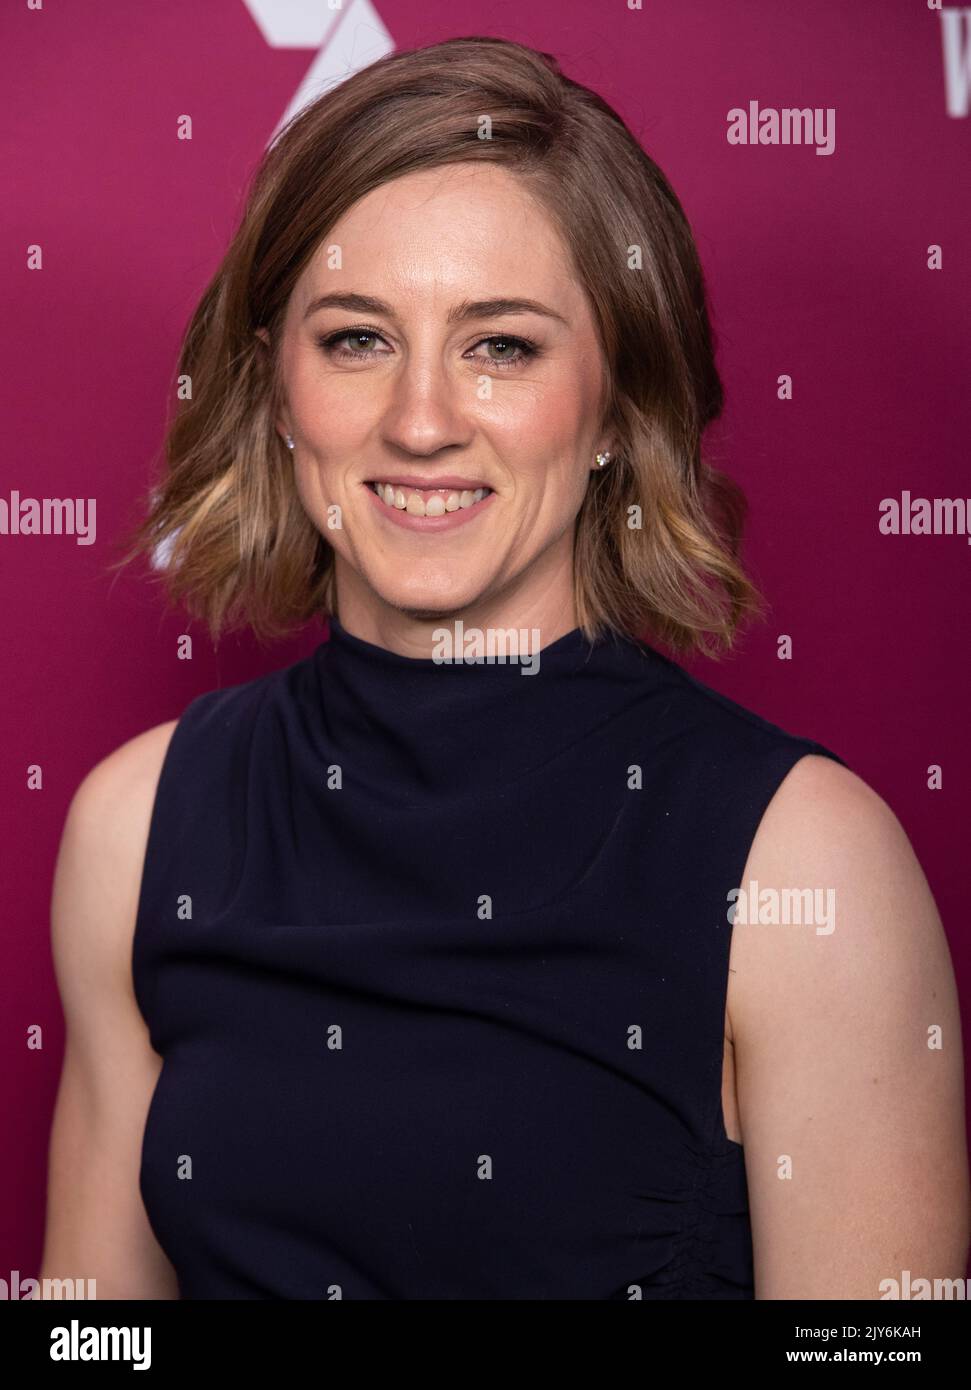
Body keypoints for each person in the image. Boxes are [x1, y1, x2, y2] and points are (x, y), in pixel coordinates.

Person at [38, 36, 968, 1300]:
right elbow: (97, 1338)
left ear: (614, 403)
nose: (421, 419)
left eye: (502, 347)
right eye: (357, 339)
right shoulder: (138, 826)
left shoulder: (802, 865)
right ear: (273, 388)